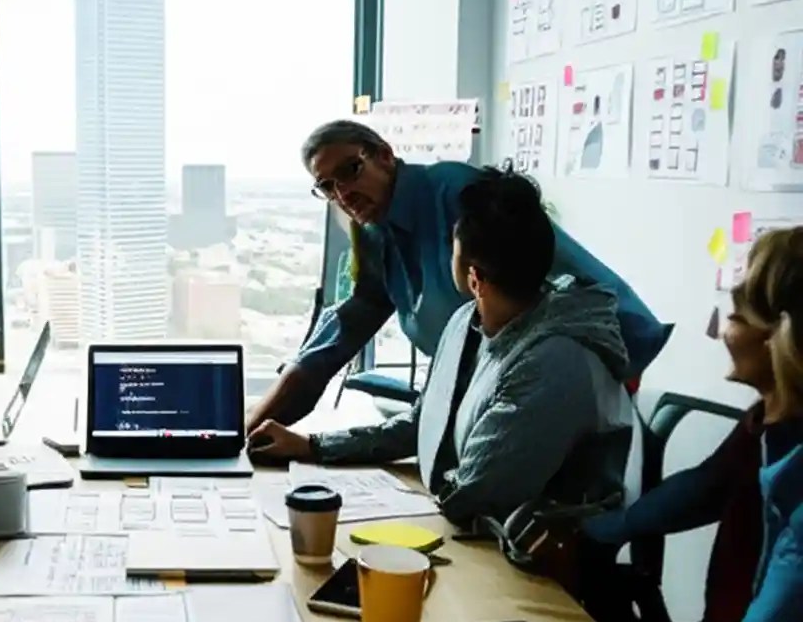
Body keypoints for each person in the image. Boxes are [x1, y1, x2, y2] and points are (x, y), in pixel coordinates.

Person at [248, 168, 633, 526]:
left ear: (474, 277)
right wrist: (312, 446)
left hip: (533, 565)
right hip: (467, 526)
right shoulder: (467, 322)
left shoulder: (553, 363)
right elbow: (422, 425)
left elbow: (474, 496)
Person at [246, 121, 672, 433]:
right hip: (496, 388)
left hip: (575, 366)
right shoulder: (377, 231)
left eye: (350, 171)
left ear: (384, 155)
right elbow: (348, 327)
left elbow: (545, 276)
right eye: (327, 186)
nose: (343, 194)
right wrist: (251, 428)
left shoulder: (455, 193)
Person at [582, 227, 803, 622]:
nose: (719, 329)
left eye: (737, 314)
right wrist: (596, 532)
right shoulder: (768, 422)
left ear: (781, 335)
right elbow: (706, 486)